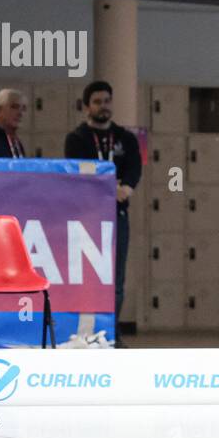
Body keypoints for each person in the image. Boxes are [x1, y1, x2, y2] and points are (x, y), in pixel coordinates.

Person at [63, 81, 143, 344]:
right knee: (88, 276)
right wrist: (110, 188)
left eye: (107, 101)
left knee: (117, 279)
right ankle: (87, 332)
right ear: (87, 107)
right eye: (97, 102)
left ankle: (112, 332)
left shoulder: (126, 138)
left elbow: (134, 168)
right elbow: (80, 174)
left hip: (117, 216)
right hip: (89, 218)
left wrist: (127, 188)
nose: (103, 106)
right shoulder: (77, 139)